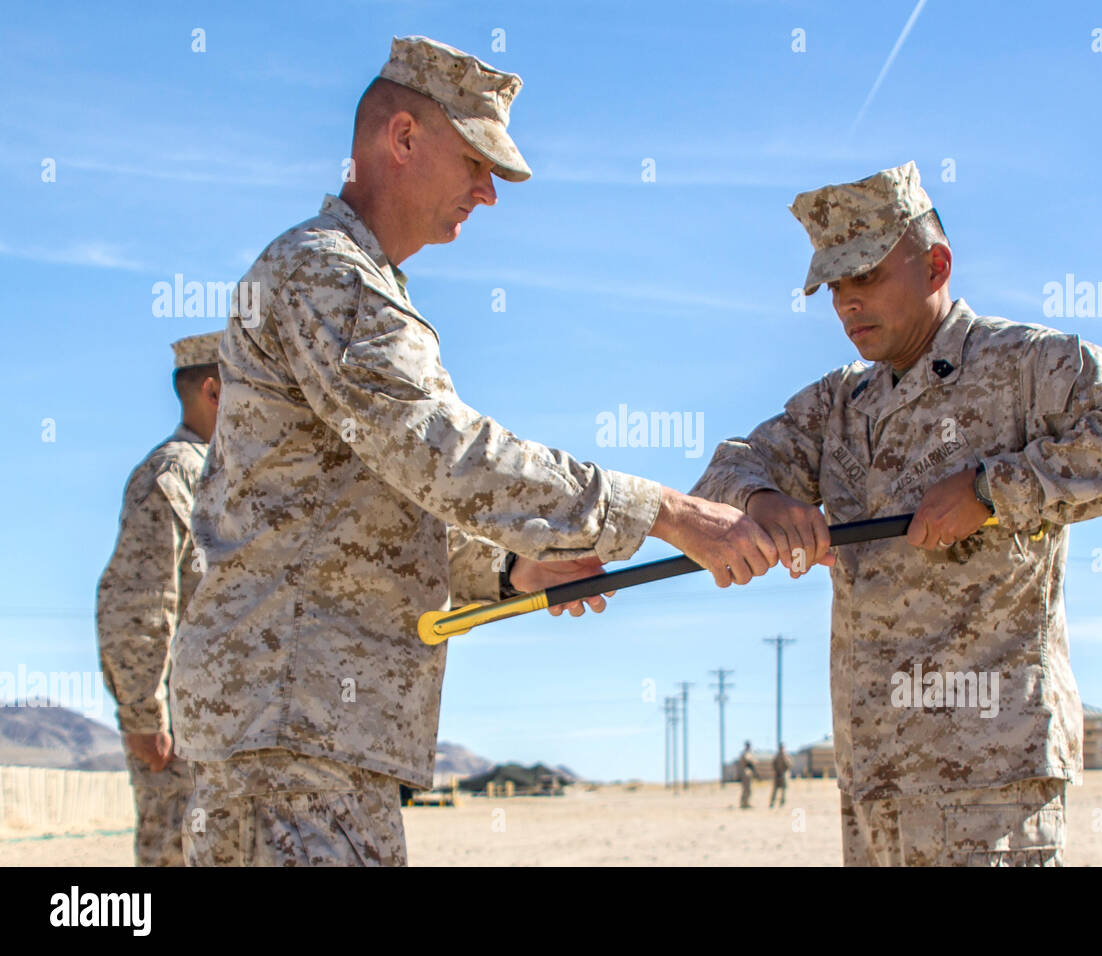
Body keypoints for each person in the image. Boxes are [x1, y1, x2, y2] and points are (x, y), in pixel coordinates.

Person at [169, 36, 777, 867]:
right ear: (404, 138)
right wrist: (665, 512)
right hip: (293, 729)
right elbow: (443, 453)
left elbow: (366, 507)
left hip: (308, 732)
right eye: (477, 162)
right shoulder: (326, 274)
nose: (488, 194)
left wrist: (507, 572)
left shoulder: (360, 281)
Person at [690, 162, 1102, 865]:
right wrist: (764, 501)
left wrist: (994, 490)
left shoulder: (1027, 367)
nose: (845, 304)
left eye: (864, 277)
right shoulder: (840, 405)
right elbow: (723, 473)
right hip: (875, 773)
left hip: (990, 778)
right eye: (833, 287)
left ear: (936, 265)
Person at [96, 332, 222, 866]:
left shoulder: (223, 473)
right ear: (214, 391)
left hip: (222, 728)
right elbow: (138, 605)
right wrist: (144, 717)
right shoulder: (172, 475)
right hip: (180, 733)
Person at [770, 743, 791, 807]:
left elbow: (789, 765)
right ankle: (773, 802)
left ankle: (781, 802)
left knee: (782, 790)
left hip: (782, 774)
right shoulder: (779, 756)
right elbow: (773, 764)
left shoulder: (782, 755)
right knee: (776, 790)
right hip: (779, 774)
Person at [738, 741, 757, 809]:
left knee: (748, 789)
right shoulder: (746, 754)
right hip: (746, 772)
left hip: (748, 772)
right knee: (746, 789)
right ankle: (744, 803)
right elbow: (749, 762)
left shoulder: (749, 753)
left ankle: (745, 803)